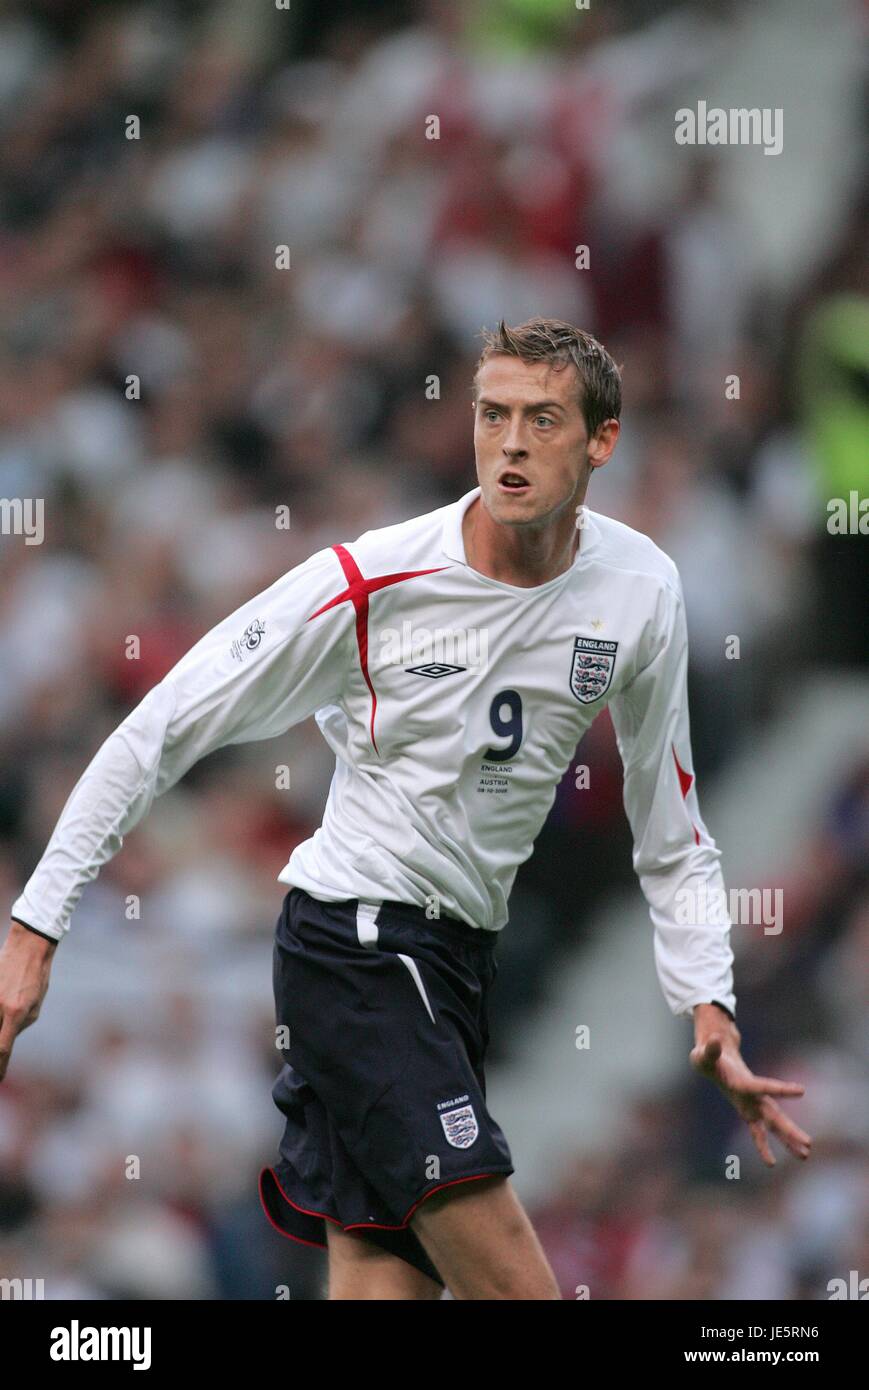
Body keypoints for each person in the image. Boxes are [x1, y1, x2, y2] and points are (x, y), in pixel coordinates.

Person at [0, 318, 812, 1300]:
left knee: (383, 1290)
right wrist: (38, 922)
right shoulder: (373, 579)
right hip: (358, 951)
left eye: (541, 419)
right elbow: (160, 726)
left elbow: (671, 830)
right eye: (491, 415)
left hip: (455, 967)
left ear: (600, 441)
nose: (509, 441)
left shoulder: (640, 590)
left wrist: (708, 1002)